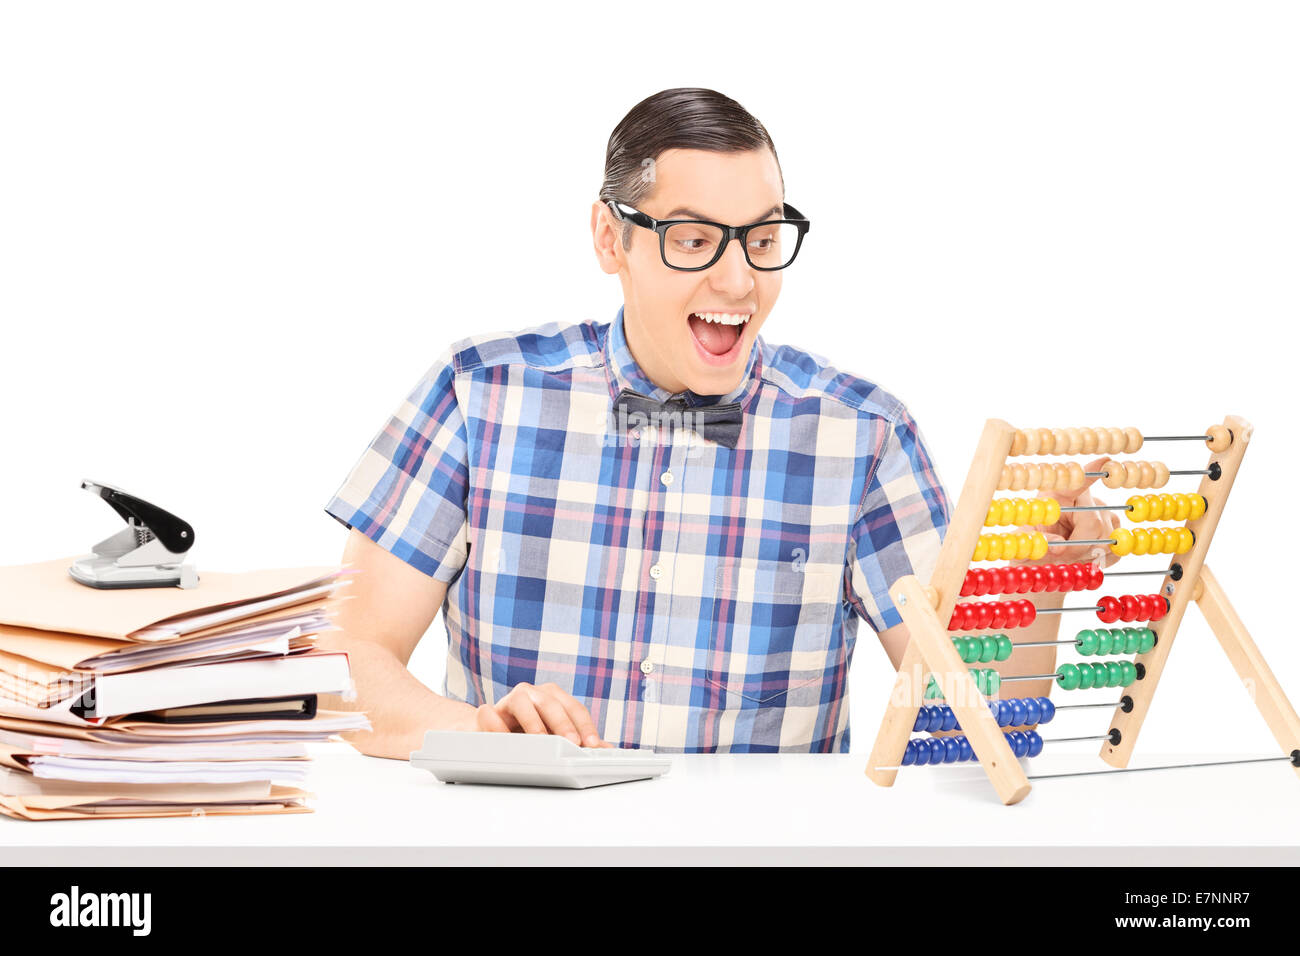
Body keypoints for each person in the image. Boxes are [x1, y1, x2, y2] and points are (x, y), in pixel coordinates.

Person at [319, 88, 1116, 759]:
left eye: (763, 239)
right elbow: (344, 656)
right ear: (611, 238)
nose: (737, 280)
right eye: (694, 239)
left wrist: (1041, 582)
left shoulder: (865, 435)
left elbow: (964, 716)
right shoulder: (479, 393)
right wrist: (478, 736)